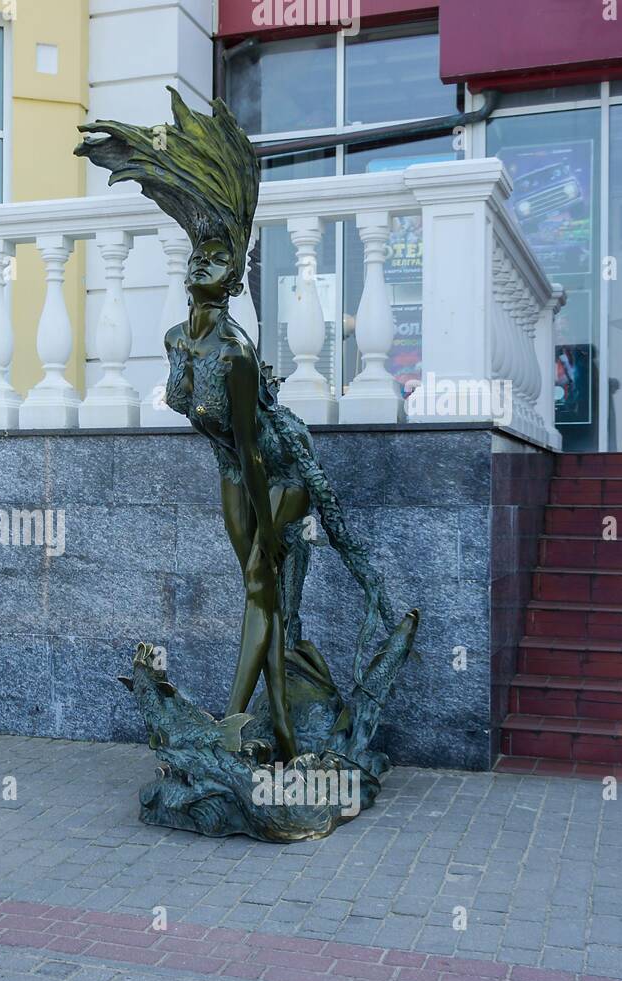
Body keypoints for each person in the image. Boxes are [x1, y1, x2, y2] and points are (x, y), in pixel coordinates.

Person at [77, 91, 403, 762]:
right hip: (231, 471)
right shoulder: (177, 340)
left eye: (219, 258)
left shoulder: (235, 354)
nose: (204, 263)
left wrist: (269, 532)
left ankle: (235, 719)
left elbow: (256, 452)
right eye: (199, 253)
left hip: (277, 474)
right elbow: (223, 448)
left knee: (261, 582)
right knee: (265, 598)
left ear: (231, 281)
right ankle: (282, 730)